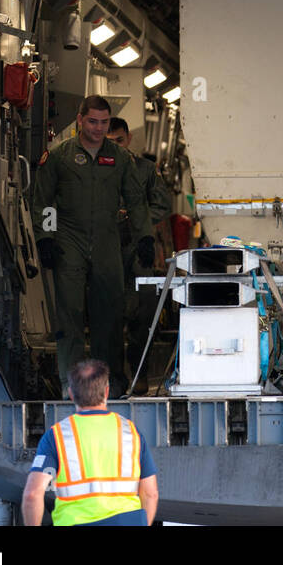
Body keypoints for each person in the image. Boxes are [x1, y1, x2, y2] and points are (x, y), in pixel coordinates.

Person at [32, 96, 153, 397]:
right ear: (80, 120)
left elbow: (137, 202)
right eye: (93, 122)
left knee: (109, 316)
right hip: (69, 241)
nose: (99, 129)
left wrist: (145, 237)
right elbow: (43, 201)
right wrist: (46, 238)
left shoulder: (120, 159)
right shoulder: (59, 157)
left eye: (104, 123)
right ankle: (69, 385)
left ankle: (107, 385)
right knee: (69, 315)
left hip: (106, 242)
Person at [21, 359, 158, 526]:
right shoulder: (131, 432)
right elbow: (150, 494)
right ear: (107, 392)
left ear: (71, 393)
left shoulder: (57, 435)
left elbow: (32, 494)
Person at [108, 116, 172, 390]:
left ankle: (140, 373)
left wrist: (136, 219)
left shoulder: (145, 170)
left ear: (129, 138)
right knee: (108, 318)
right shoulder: (95, 171)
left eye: (119, 141)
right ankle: (114, 378)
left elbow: (162, 205)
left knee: (143, 318)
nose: (115, 146)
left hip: (139, 252)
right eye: (109, 142)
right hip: (106, 251)